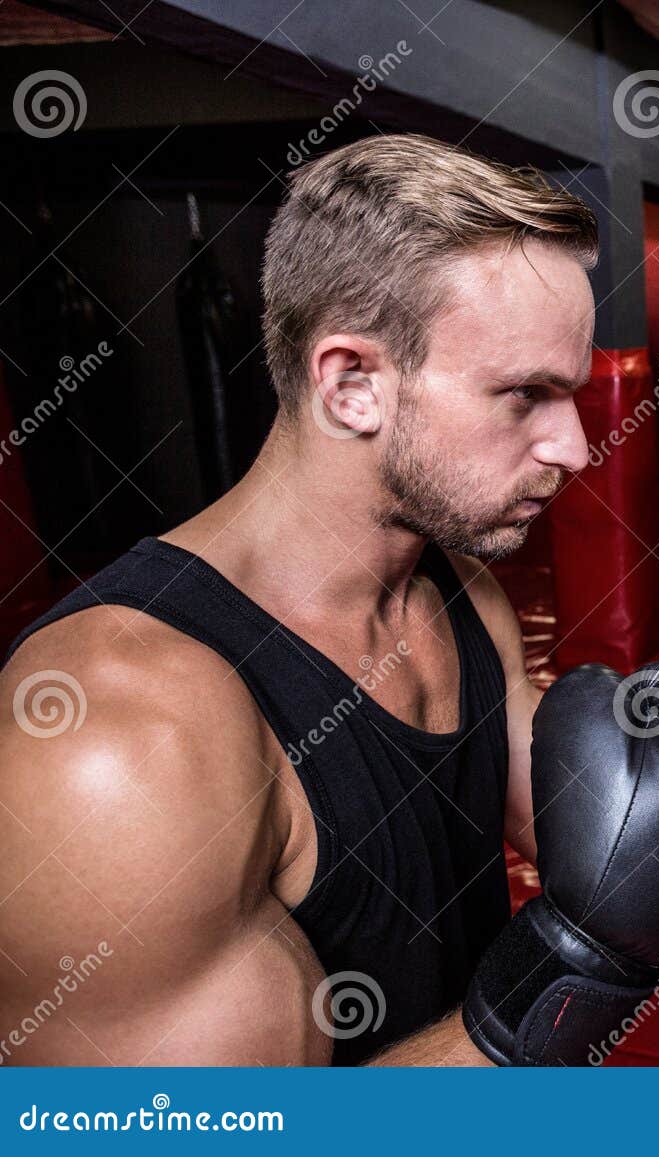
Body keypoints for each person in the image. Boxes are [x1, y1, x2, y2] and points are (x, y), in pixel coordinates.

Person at [0, 133, 619, 1065]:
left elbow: (601, 842)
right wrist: (566, 982)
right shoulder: (118, 743)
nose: (574, 447)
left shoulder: (464, 597)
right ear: (353, 383)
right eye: (525, 394)